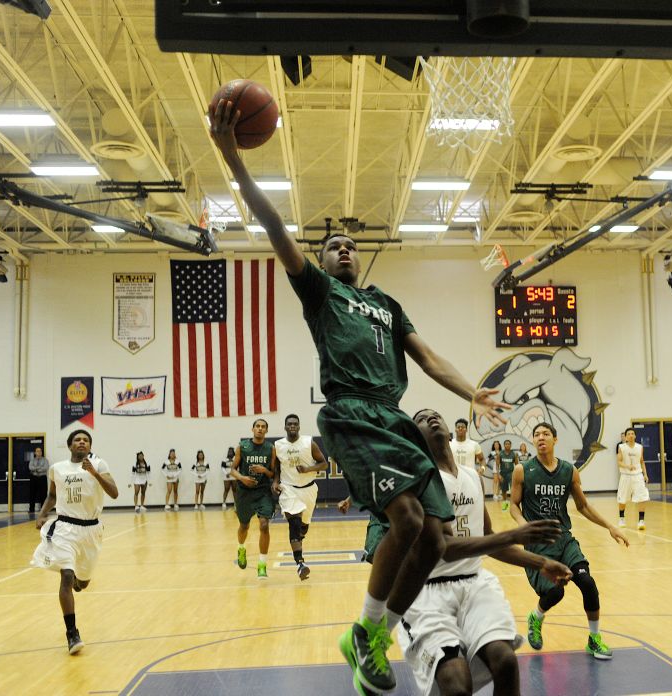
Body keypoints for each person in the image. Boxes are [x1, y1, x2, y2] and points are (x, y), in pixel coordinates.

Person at [210, 100, 508, 695]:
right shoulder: (319, 292)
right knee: (406, 518)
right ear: (320, 261)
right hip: (350, 412)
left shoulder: (388, 305)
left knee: (434, 535)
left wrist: (472, 389)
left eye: (350, 244)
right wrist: (233, 160)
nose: (343, 248)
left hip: (394, 418)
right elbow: (273, 225)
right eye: (333, 245)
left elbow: (427, 359)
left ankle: (373, 633)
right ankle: (369, 630)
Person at [396, 409, 572, 696]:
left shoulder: (471, 477)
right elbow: (445, 549)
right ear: (416, 438)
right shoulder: (419, 481)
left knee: (505, 662)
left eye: (435, 415)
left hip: (474, 584)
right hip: (427, 593)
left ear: (449, 430)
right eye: (420, 419)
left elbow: (489, 539)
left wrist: (540, 562)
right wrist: (515, 533)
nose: (430, 418)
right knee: (456, 684)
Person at [511, 422, 630, 661]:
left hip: (564, 539)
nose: (540, 438)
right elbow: (514, 505)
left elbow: (583, 505)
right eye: (536, 435)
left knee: (587, 583)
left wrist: (610, 526)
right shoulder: (522, 470)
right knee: (556, 592)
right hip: (538, 544)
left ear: (555, 440)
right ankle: (537, 617)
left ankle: (594, 639)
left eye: (545, 434)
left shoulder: (569, 471)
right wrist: (525, 527)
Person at [30, 430, 118, 654]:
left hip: (91, 530)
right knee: (66, 575)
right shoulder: (57, 469)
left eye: (86, 440)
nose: (82, 442)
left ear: (90, 446)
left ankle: (81, 581)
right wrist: (41, 515)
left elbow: (114, 493)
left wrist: (94, 473)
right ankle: (72, 633)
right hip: (65, 527)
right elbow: (52, 496)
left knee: (83, 582)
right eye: (78, 440)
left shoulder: (98, 464)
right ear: (70, 446)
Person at [272, 413, 328, 581]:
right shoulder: (278, 445)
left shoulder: (308, 443)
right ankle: (300, 563)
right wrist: (275, 482)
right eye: (289, 424)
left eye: (295, 424)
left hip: (309, 490)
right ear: (285, 426)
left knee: (303, 528)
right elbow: (276, 468)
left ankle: (298, 541)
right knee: (294, 522)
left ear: (299, 426)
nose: (292, 426)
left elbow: (324, 464)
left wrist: (308, 469)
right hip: (288, 489)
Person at [230, 418, 276, 579]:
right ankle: (241, 548)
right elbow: (232, 470)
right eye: (258, 426)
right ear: (252, 429)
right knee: (244, 526)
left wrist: (264, 470)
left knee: (264, 525)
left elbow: (273, 474)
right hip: (244, 492)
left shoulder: (270, 448)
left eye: (263, 427)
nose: (260, 429)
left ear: (266, 431)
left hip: (263, 492)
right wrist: (242, 478)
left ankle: (262, 565)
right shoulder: (242, 447)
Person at [617, 428, 650, 527]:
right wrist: (627, 466)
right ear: (626, 437)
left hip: (637, 475)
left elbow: (642, 461)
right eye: (629, 434)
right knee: (622, 498)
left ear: (635, 436)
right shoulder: (622, 447)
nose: (631, 435)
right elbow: (619, 462)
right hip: (625, 475)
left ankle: (641, 521)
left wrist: (645, 474)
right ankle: (622, 518)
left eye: (632, 434)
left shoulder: (639, 447)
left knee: (642, 497)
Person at [493, 438, 518, 511]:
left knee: (513, 490)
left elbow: (517, 465)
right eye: (506, 444)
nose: (507, 445)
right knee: (504, 491)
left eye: (508, 444)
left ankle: (514, 506)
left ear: (510, 445)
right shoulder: (500, 454)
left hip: (511, 473)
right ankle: (505, 506)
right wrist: (498, 475)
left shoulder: (514, 454)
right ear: (504, 445)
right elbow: (497, 465)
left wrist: (516, 474)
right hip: (503, 474)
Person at [28, 446, 50, 514]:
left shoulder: (45, 460)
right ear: (35, 452)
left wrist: (36, 469)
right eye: (37, 451)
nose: (39, 452)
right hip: (33, 478)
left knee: (43, 494)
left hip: (42, 478)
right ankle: (31, 509)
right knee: (32, 494)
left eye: (40, 451)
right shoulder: (32, 460)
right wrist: (39, 468)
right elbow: (30, 467)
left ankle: (43, 510)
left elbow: (45, 468)